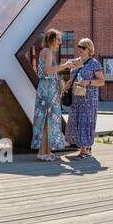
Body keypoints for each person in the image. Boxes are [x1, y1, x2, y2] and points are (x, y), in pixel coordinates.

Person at [31, 29, 80, 161]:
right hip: (47, 89)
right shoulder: (47, 52)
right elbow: (48, 71)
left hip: (48, 88)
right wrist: (65, 65)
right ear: (51, 40)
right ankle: (42, 153)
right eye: (58, 39)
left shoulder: (48, 52)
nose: (60, 42)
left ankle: (46, 151)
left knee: (48, 119)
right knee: (47, 119)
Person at [64, 38, 105, 159]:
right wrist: (64, 91)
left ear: (89, 49)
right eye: (79, 47)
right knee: (75, 122)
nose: (80, 49)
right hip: (76, 98)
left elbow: (102, 81)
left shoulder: (95, 63)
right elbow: (71, 80)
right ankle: (85, 146)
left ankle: (83, 150)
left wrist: (88, 82)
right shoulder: (74, 62)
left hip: (89, 99)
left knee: (85, 123)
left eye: (83, 47)